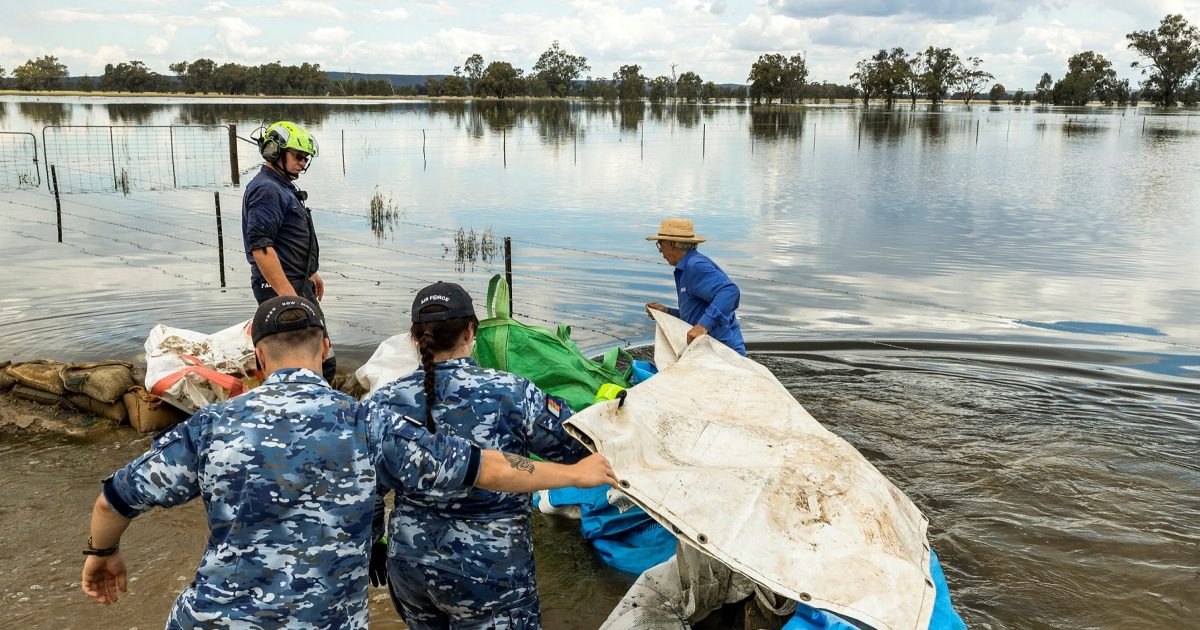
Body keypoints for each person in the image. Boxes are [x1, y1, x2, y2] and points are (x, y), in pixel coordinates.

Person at [80, 296, 615, 629]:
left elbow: (113, 499)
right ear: (327, 347)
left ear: (259, 357)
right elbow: (486, 468)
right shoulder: (368, 424)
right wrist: (574, 475)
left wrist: (101, 554)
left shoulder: (213, 424)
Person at [371, 281, 593, 629]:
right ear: (471, 331)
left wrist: (376, 540)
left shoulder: (381, 401)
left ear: (414, 338)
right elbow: (574, 447)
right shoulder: (512, 392)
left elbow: (366, 484)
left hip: (409, 563)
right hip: (489, 567)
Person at [241, 120, 336, 381]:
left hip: (295, 282)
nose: (303, 163)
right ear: (275, 151)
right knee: (304, 361)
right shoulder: (266, 190)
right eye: (298, 156)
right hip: (279, 288)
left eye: (306, 158)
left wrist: (309, 273)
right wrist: (289, 298)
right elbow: (261, 248)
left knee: (320, 357)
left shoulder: (281, 186)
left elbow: (287, 240)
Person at [644, 217, 747, 355]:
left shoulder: (695, 266)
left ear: (671, 244)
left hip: (724, 352)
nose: (660, 251)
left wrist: (702, 326)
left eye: (660, 244)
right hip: (707, 350)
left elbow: (730, 292)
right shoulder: (685, 268)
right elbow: (695, 314)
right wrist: (667, 312)